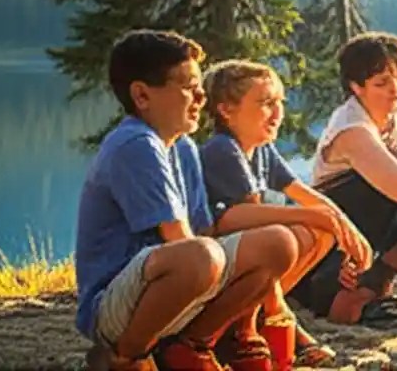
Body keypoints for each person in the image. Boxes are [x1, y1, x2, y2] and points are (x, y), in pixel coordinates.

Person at [74, 30, 300, 371]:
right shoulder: (135, 143)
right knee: (200, 255)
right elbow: (181, 240)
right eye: (186, 86)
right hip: (115, 307)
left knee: (278, 242)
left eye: (199, 86)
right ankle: (127, 355)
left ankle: (191, 344)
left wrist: (266, 298)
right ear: (142, 95)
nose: (200, 97)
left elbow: (205, 230)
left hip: (175, 289)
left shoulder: (183, 147)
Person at [199, 59, 374, 367]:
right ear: (227, 110)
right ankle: (270, 320)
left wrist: (348, 232)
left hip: (243, 261)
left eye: (280, 102)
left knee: (319, 230)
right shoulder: (222, 149)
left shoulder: (262, 149)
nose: (279, 112)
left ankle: (256, 314)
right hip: (215, 264)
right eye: (266, 103)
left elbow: (308, 196)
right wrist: (313, 217)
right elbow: (249, 222)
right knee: (290, 234)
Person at [288, 32, 397, 324]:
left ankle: (385, 280)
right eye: (382, 83)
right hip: (332, 246)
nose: (395, 90)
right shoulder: (351, 128)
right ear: (356, 87)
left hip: (372, 237)